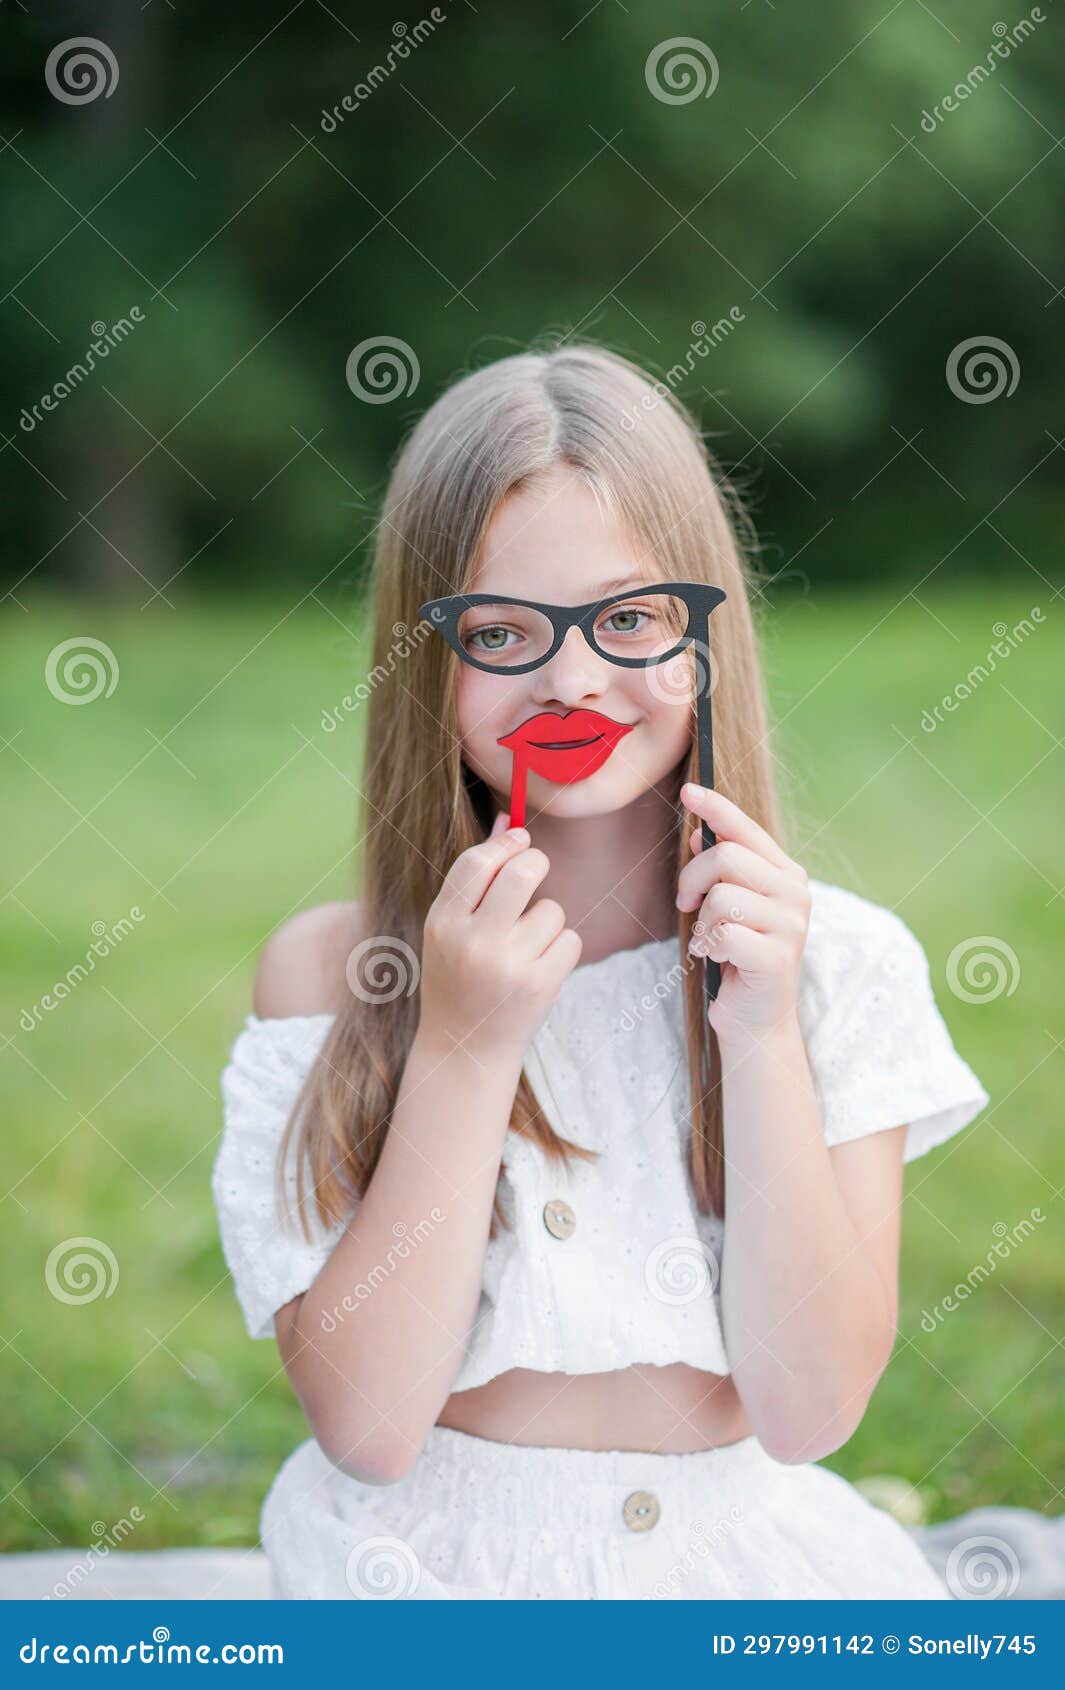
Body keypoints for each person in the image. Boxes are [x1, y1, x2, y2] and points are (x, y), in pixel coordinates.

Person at [212, 342, 989, 1599]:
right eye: (500, 631)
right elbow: (368, 1425)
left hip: (741, 1562)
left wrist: (763, 1033)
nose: (571, 679)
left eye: (628, 618)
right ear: (423, 655)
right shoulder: (333, 971)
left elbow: (810, 1410)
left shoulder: (834, 962)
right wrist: (464, 1048)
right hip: (425, 1566)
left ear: (704, 632)